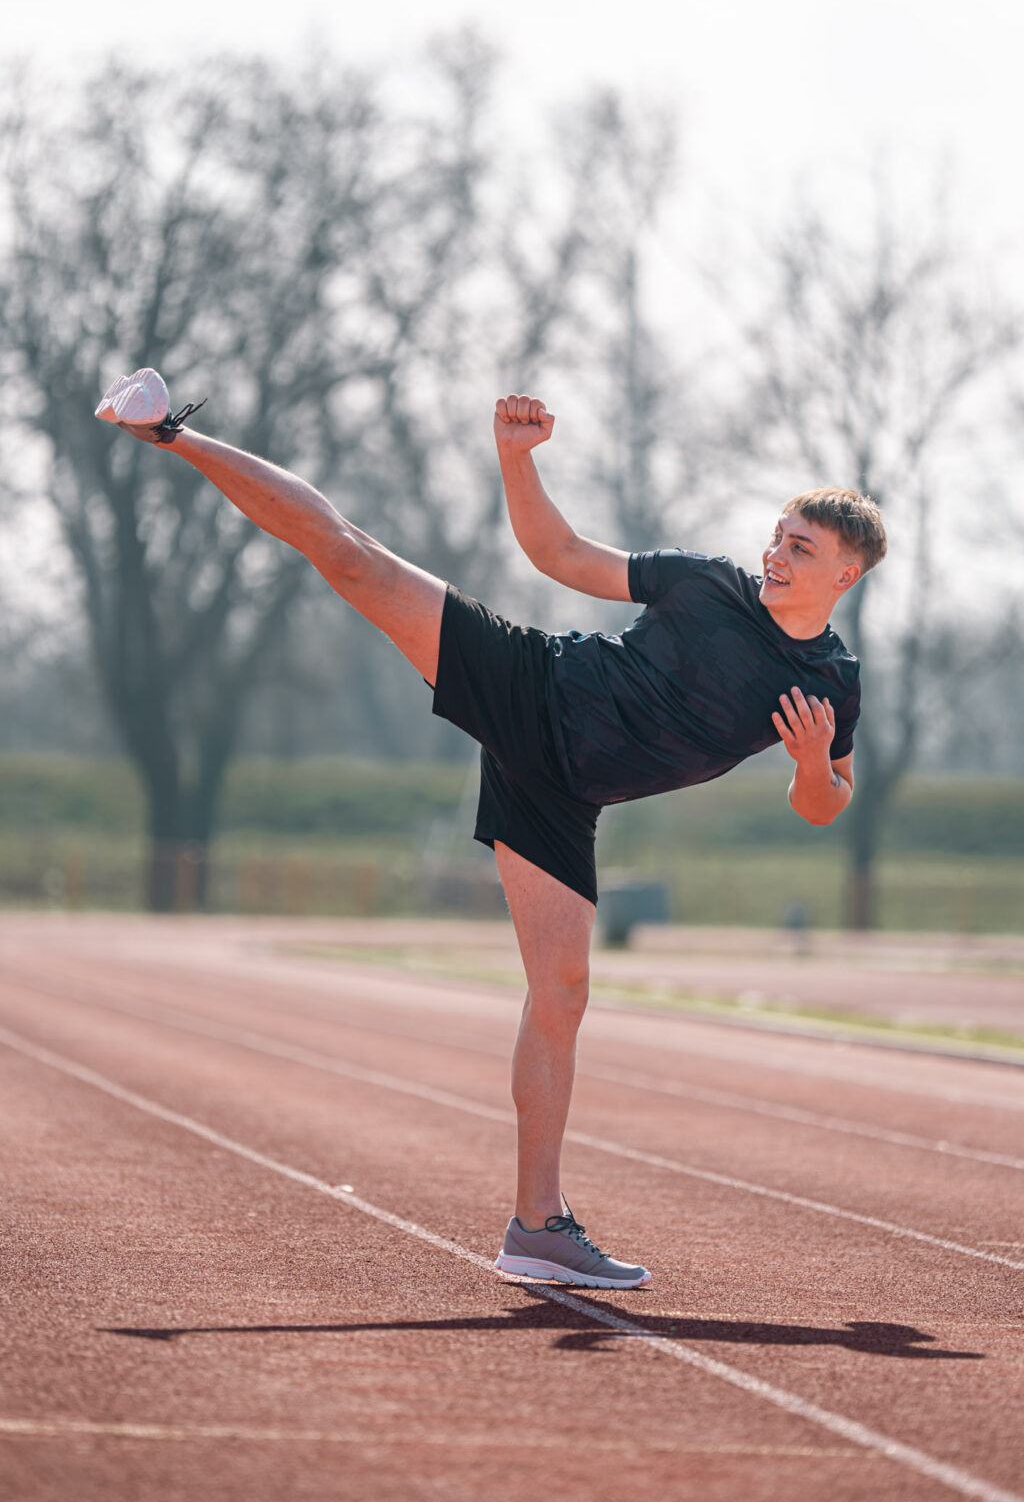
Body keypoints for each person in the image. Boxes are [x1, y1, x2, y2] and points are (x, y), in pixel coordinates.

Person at [96, 369, 887, 1290]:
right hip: (531, 685)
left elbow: (824, 803)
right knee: (351, 555)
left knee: (562, 991)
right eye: (777, 535)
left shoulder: (835, 684)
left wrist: (806, 764)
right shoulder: (706, 585)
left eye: (799, 546)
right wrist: (516, 459)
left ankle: (536, 1228)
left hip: (561, 795)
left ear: (845, 572)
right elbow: (558, 553)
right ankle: (172, 433)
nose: (774, 554)